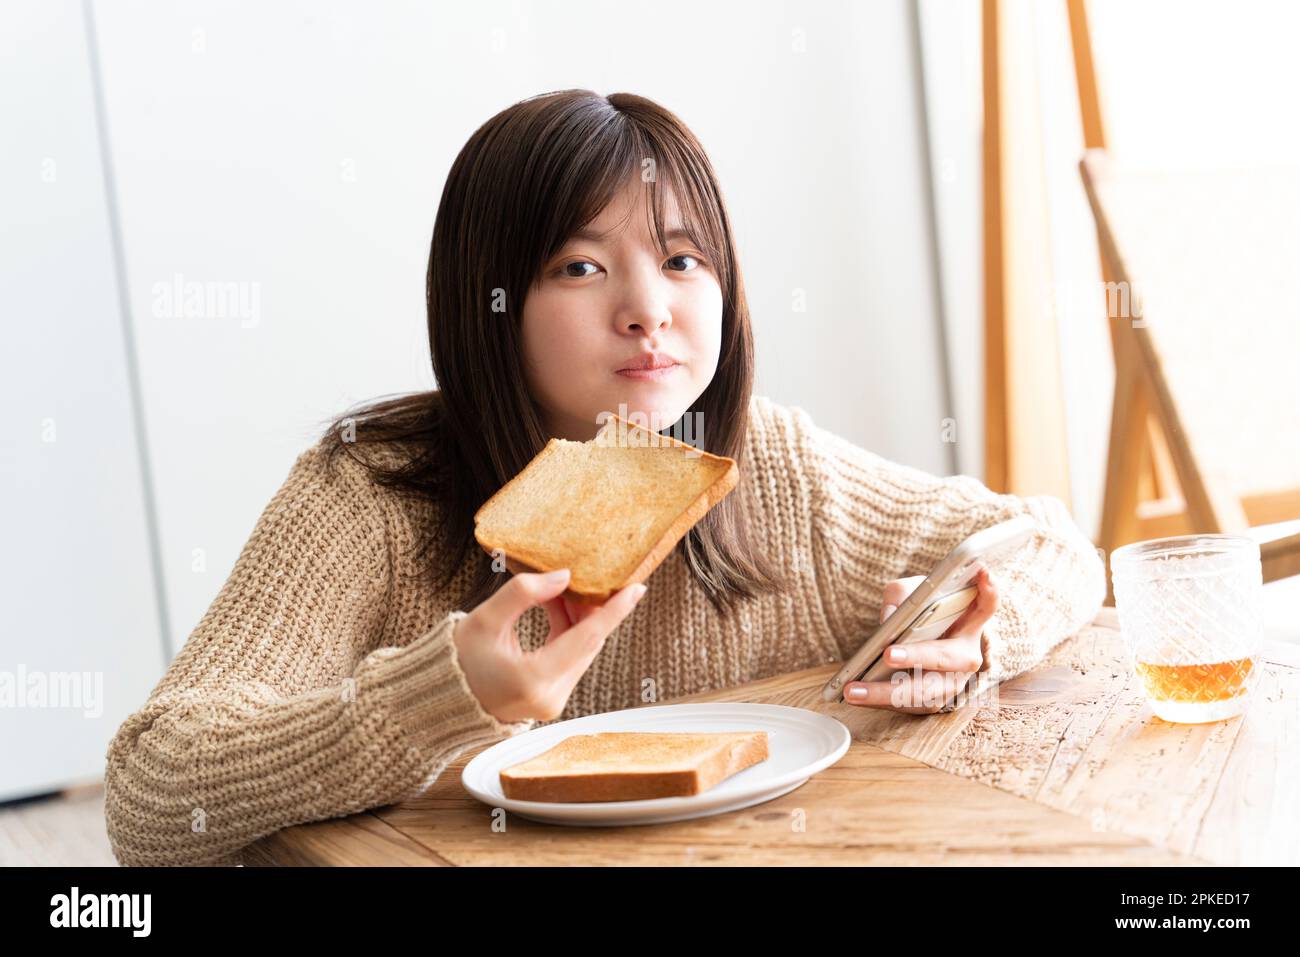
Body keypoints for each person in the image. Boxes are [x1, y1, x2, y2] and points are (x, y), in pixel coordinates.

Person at [103, 90, 1105, 866]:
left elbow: (1044, 542)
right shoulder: (369, 495)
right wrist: (434, 697)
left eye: (680, 259)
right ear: (487, 302)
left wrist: (978, 629)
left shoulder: (770, 461)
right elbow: (151, 792)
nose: (647, 309)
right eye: (579, 268)